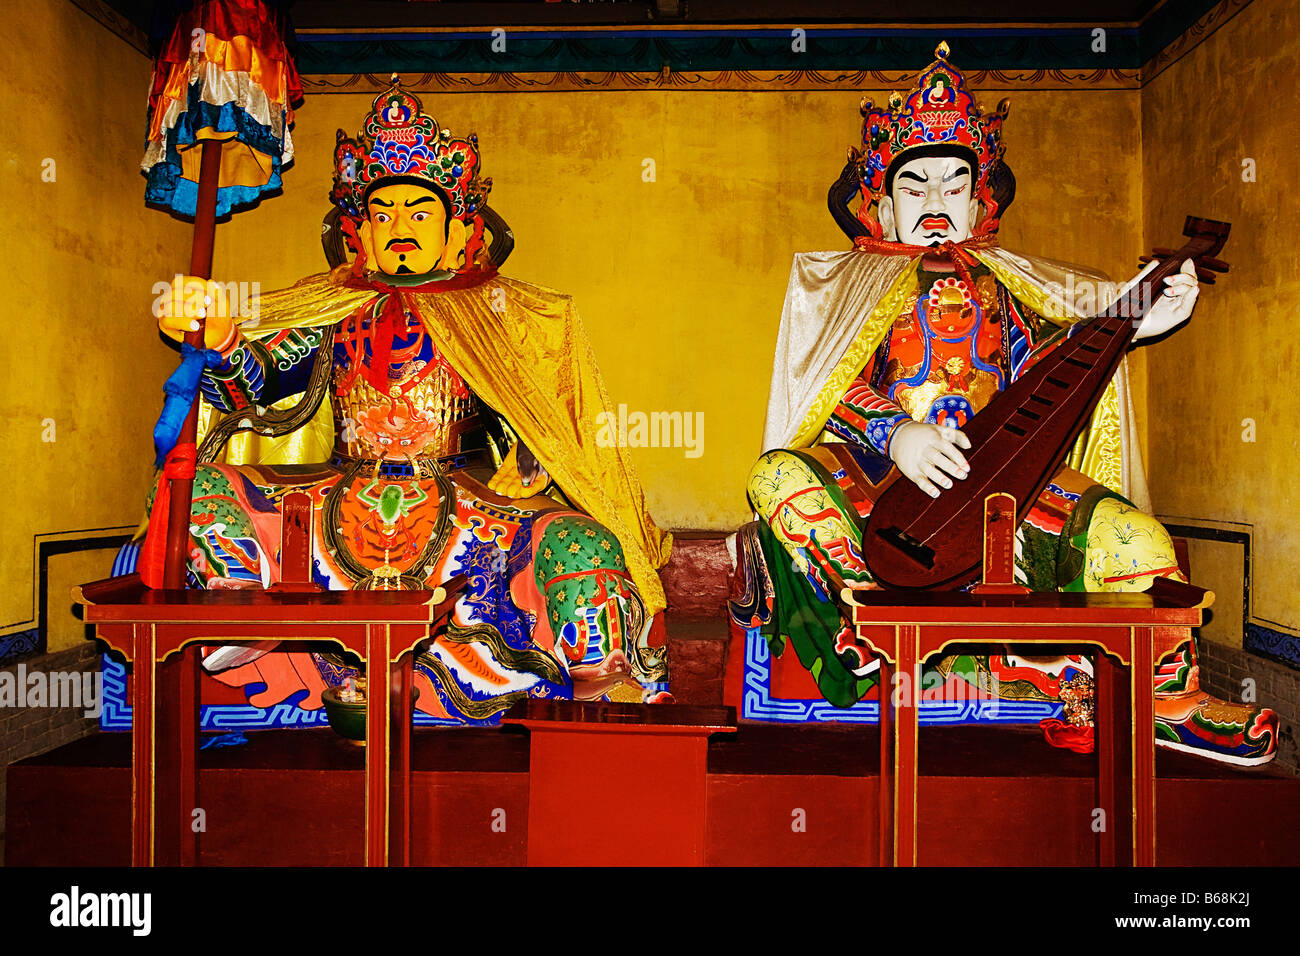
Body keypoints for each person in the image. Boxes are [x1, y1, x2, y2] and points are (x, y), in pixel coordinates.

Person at [738, 43, 1275, 765]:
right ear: (883, 204)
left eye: (952, 185)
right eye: (914, 186)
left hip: (1003, 485)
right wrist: (897, 434)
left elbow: (1052, 378)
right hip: (877, 486)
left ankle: (1167, 699)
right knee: (775, 474)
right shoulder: (844, 283)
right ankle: (865, 606)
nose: (933, 203)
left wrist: (1137, 325)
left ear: (980, 199)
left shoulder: (1012, 287)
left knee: (1138, 539)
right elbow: (828, 389)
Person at [147, 78, 671, 724]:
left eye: (419, 213)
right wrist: (220, 338)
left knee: (581, 542)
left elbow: (550, 421)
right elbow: (248, 385)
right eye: (384, 214)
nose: (399, 228)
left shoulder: (499, 312)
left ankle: (603, 694)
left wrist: (532, 469)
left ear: (457, 231)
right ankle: (240, 606)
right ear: (358, 233)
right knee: (192, 485)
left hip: (464, 508)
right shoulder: (331, 308)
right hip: (337, 499)